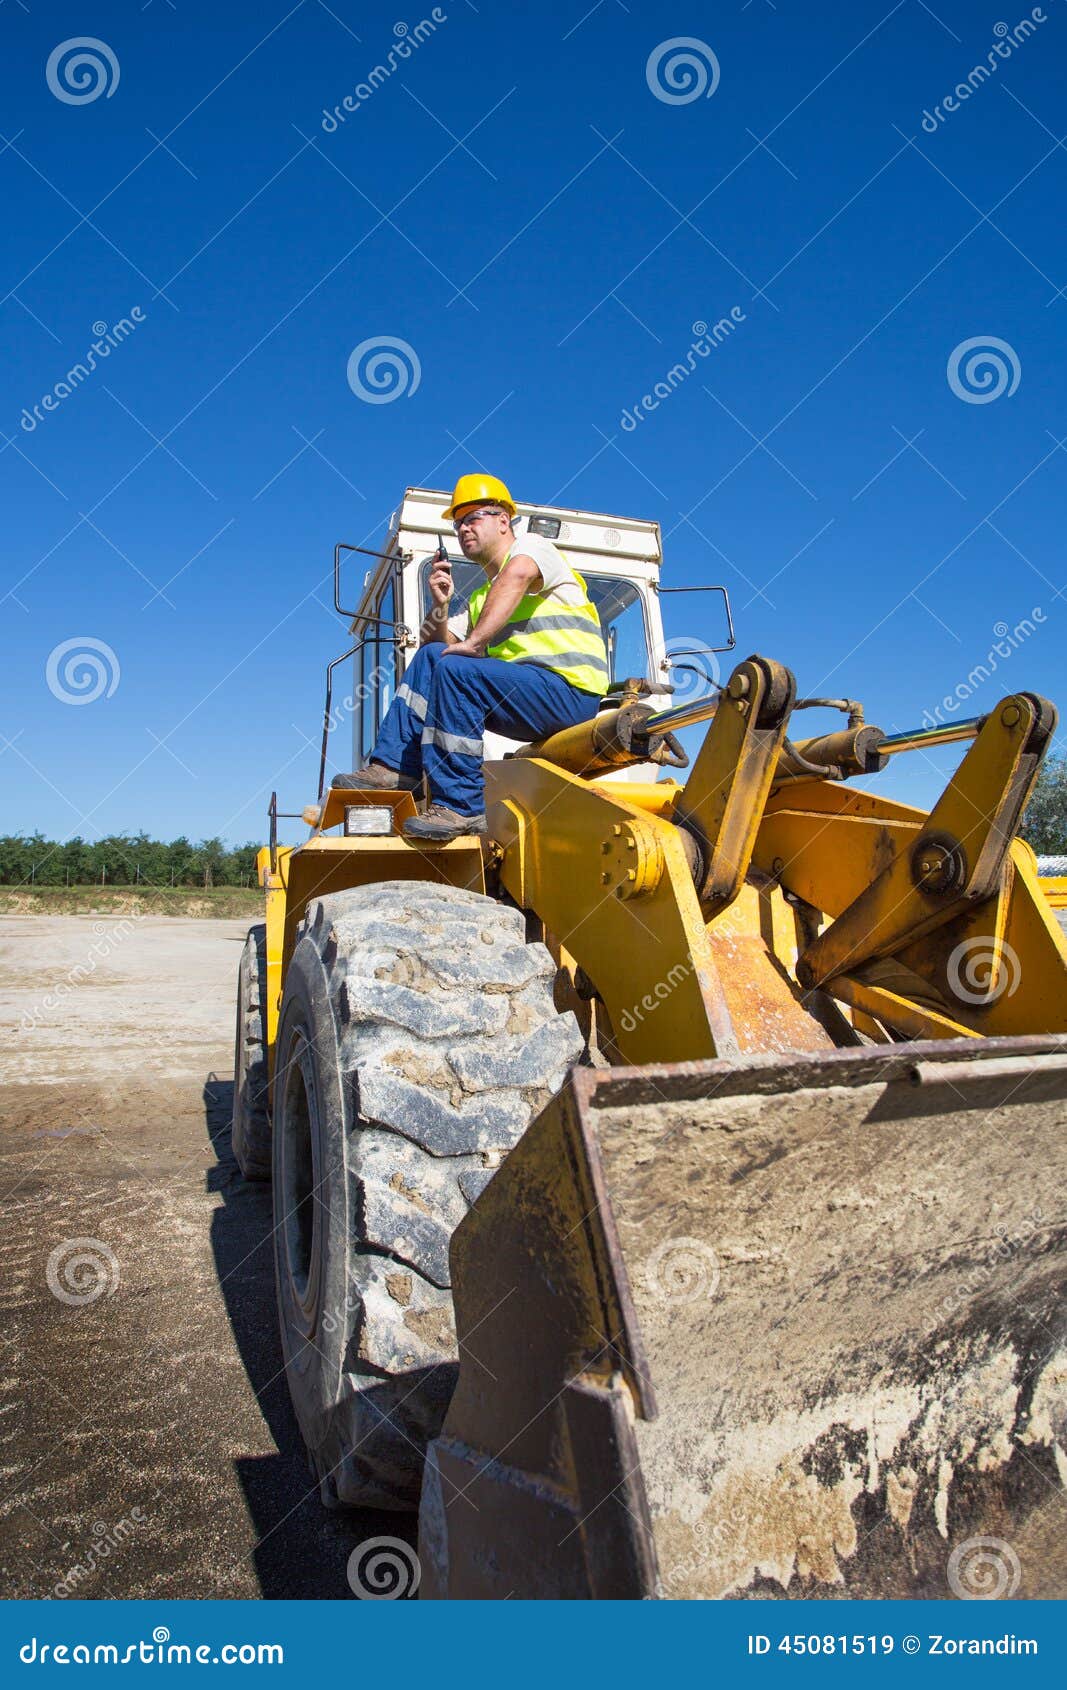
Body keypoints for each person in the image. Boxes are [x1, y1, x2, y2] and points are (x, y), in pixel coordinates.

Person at [335, 473, 609, 841]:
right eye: (458, 523)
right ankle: (395, 766)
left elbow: (517, 575)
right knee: (435, 656)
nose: (463, 528)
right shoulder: (483, 598)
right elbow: (438, 646)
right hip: (527, 698)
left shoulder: (534, 548)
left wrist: (476, 642)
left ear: (502, 520)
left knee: (457, 667)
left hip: (569, 695)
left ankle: (461, 805)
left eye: (473, 517)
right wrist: (441, 604)